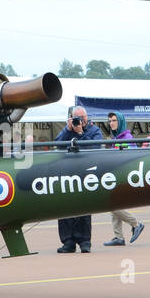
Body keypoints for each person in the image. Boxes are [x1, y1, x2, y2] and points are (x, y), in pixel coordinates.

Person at [53, 106, 101, 252]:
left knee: (84, 208)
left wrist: (80, 134)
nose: (80, 120)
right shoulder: (68, 129)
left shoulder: (94, 131)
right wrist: (68, 130)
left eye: (83, 117)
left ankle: (84, 241)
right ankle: (68, 241)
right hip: (67, 174)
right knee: (64, 208)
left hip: (86, 175)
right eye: (77, 117)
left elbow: (96, 147)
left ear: (87, 116)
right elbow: (57, 145)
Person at [100, 112, 143, 247]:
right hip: (116, 178)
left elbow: (128, 161)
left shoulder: (126, 138)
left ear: (120, 122)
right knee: (114, 205)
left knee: (112, 205)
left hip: (124, 179)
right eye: (110, 121)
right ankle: (118, 236)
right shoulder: (117, 137)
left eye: (114, 120)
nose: (111, 123)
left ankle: (136, 223)